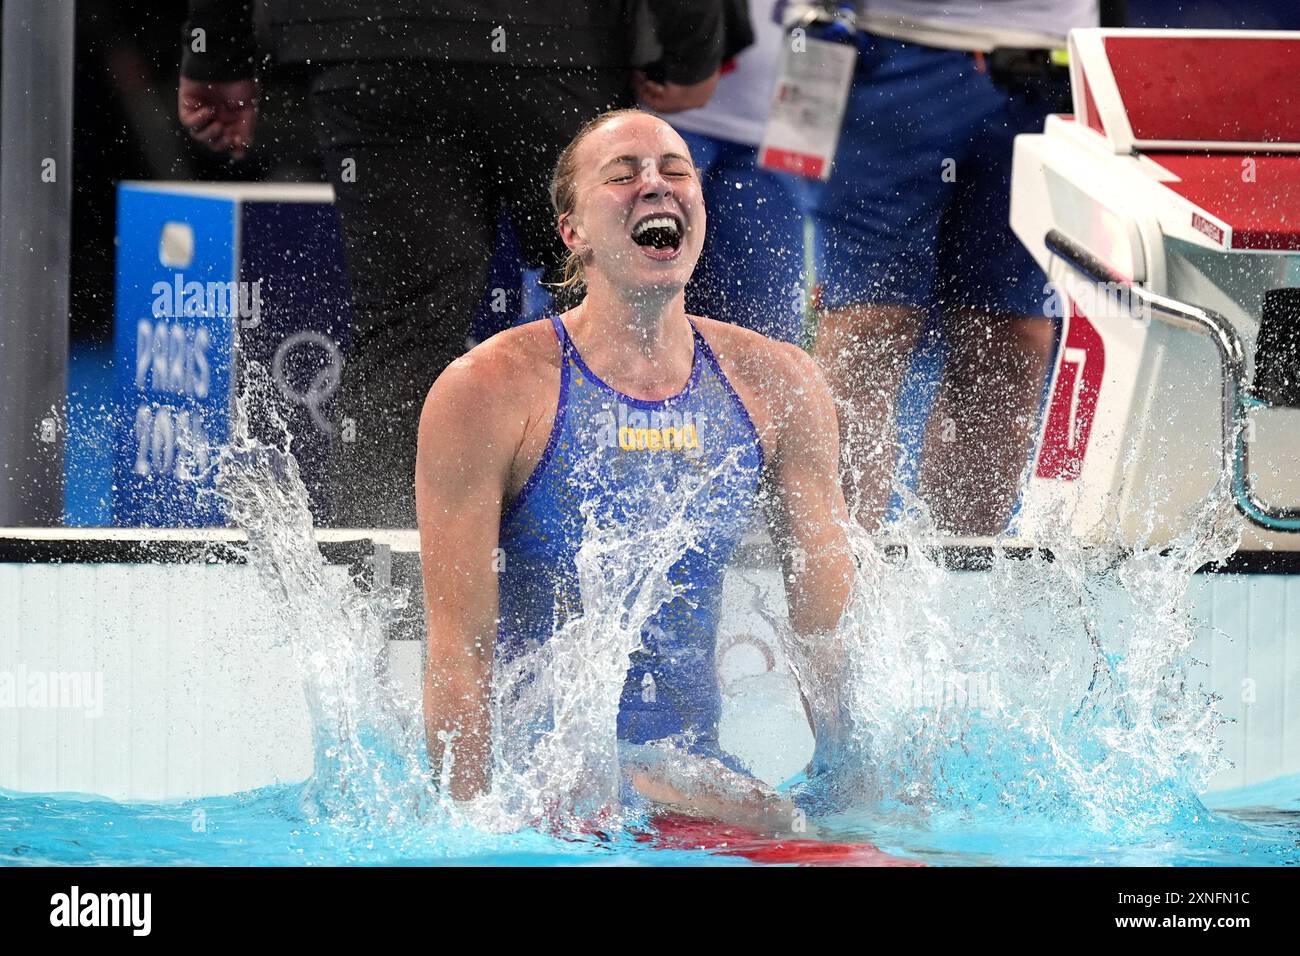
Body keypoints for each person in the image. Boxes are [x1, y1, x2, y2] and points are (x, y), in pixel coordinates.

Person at [415, 108, 853, 827]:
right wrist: (470, 831)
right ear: (573, 232)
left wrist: (856, 804)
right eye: (623, 176)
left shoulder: (778, 382)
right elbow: (459, 654)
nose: (657, 185)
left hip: (699, 782)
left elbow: (828, 634)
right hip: (546, 793)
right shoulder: (488, 390)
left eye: (676, 171)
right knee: (775, 825)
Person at [177, 0, 735, 528]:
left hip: (374, 44)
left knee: (400, 336)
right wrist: (690, 45)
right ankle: (636, 565)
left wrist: (217, 52)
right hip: (557, 42)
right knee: (620, 310)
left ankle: (380, 597)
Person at [810, 0, 1098, 535]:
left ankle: (963, 583)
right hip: (888, 48)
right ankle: (834, 576)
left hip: (1054, 65)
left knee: (1009, 339)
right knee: (869, 327)